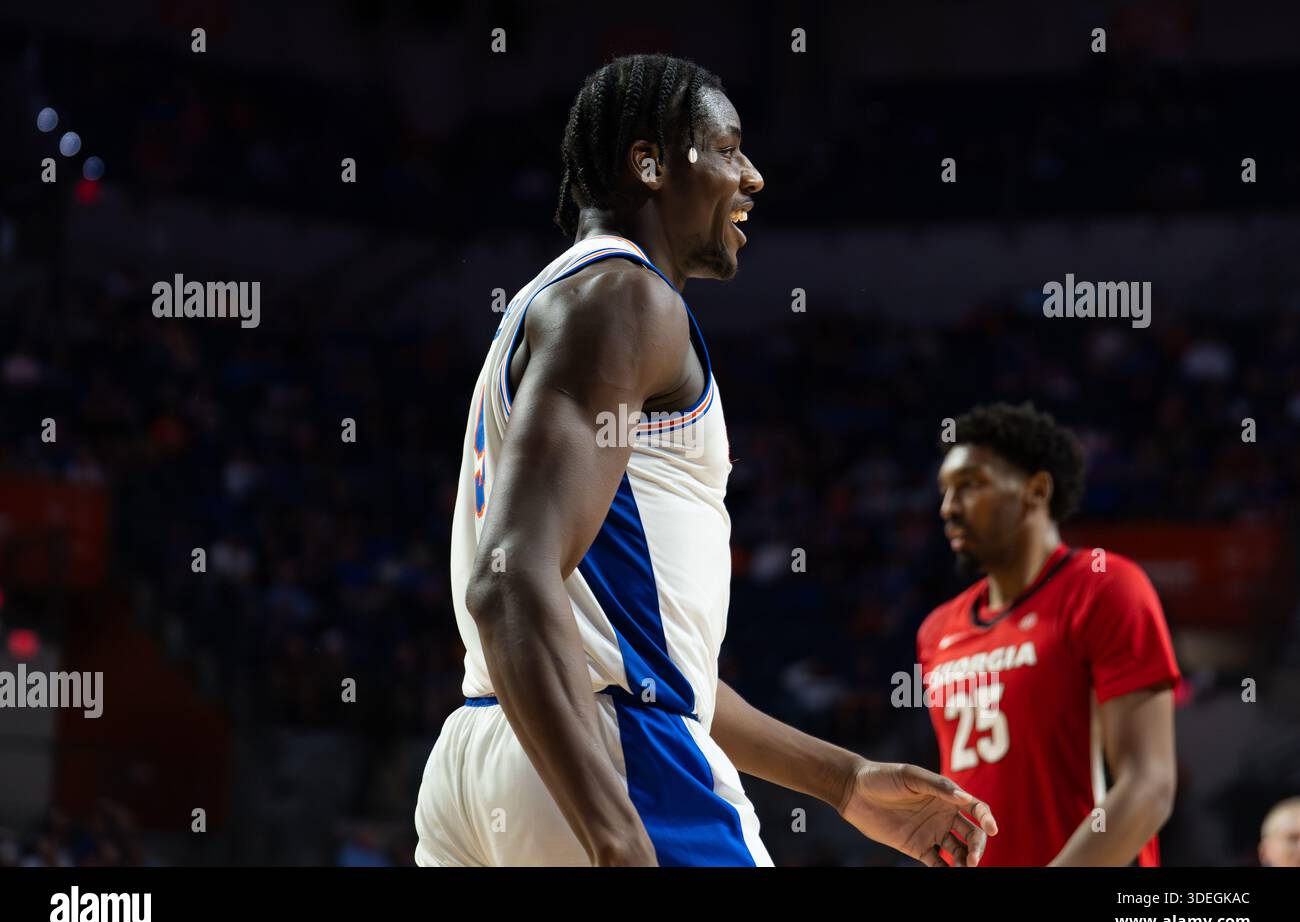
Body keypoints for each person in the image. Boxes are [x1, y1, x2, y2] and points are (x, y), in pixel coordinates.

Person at [415, 53, 996, 867]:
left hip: (489, 758)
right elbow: (511, 579)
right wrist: (618, 835)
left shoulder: (550, 304)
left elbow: (657, 668)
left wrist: (842, 781)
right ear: (649, 164)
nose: (752, 176)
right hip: (610, 761)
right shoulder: (627, 298)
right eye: (726, 149)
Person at [918, 402, 1179, 865]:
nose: (948, 508)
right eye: (944, 492)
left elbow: (1149, 785)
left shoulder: (1105, 587)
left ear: (1036, 490)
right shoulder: (937, 630)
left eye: (970, 486)